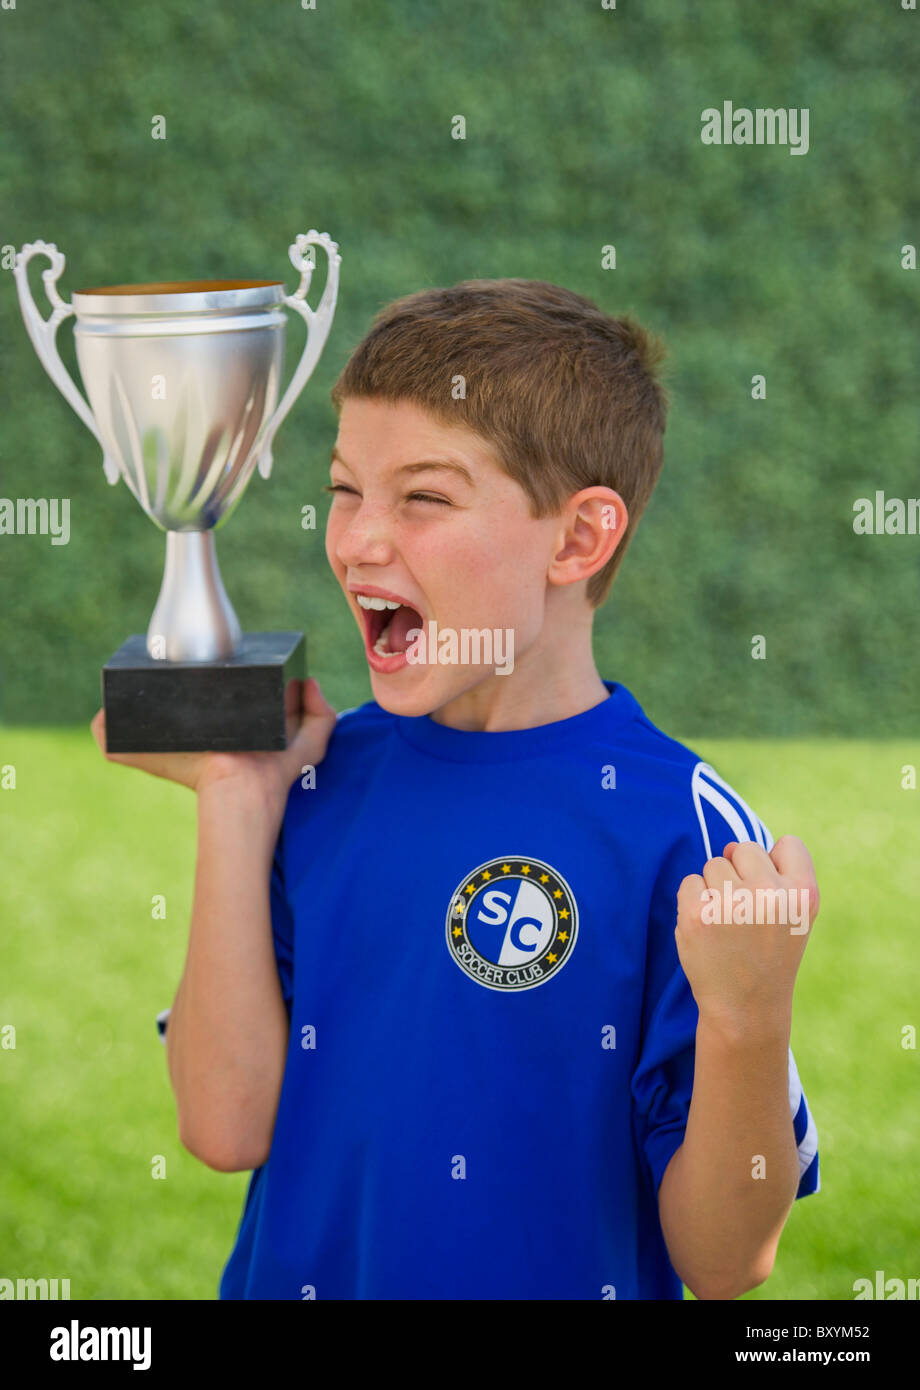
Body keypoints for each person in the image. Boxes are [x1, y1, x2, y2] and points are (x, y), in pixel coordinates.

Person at [92, 278, 820, 1300]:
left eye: (422, 498)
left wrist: (749, 1020)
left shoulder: (680, 831)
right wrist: (235, 796)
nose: (356, 540)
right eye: (344, 490)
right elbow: (222, 1127)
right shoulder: (318, 782)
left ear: (577, 538)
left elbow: (724, 1261)